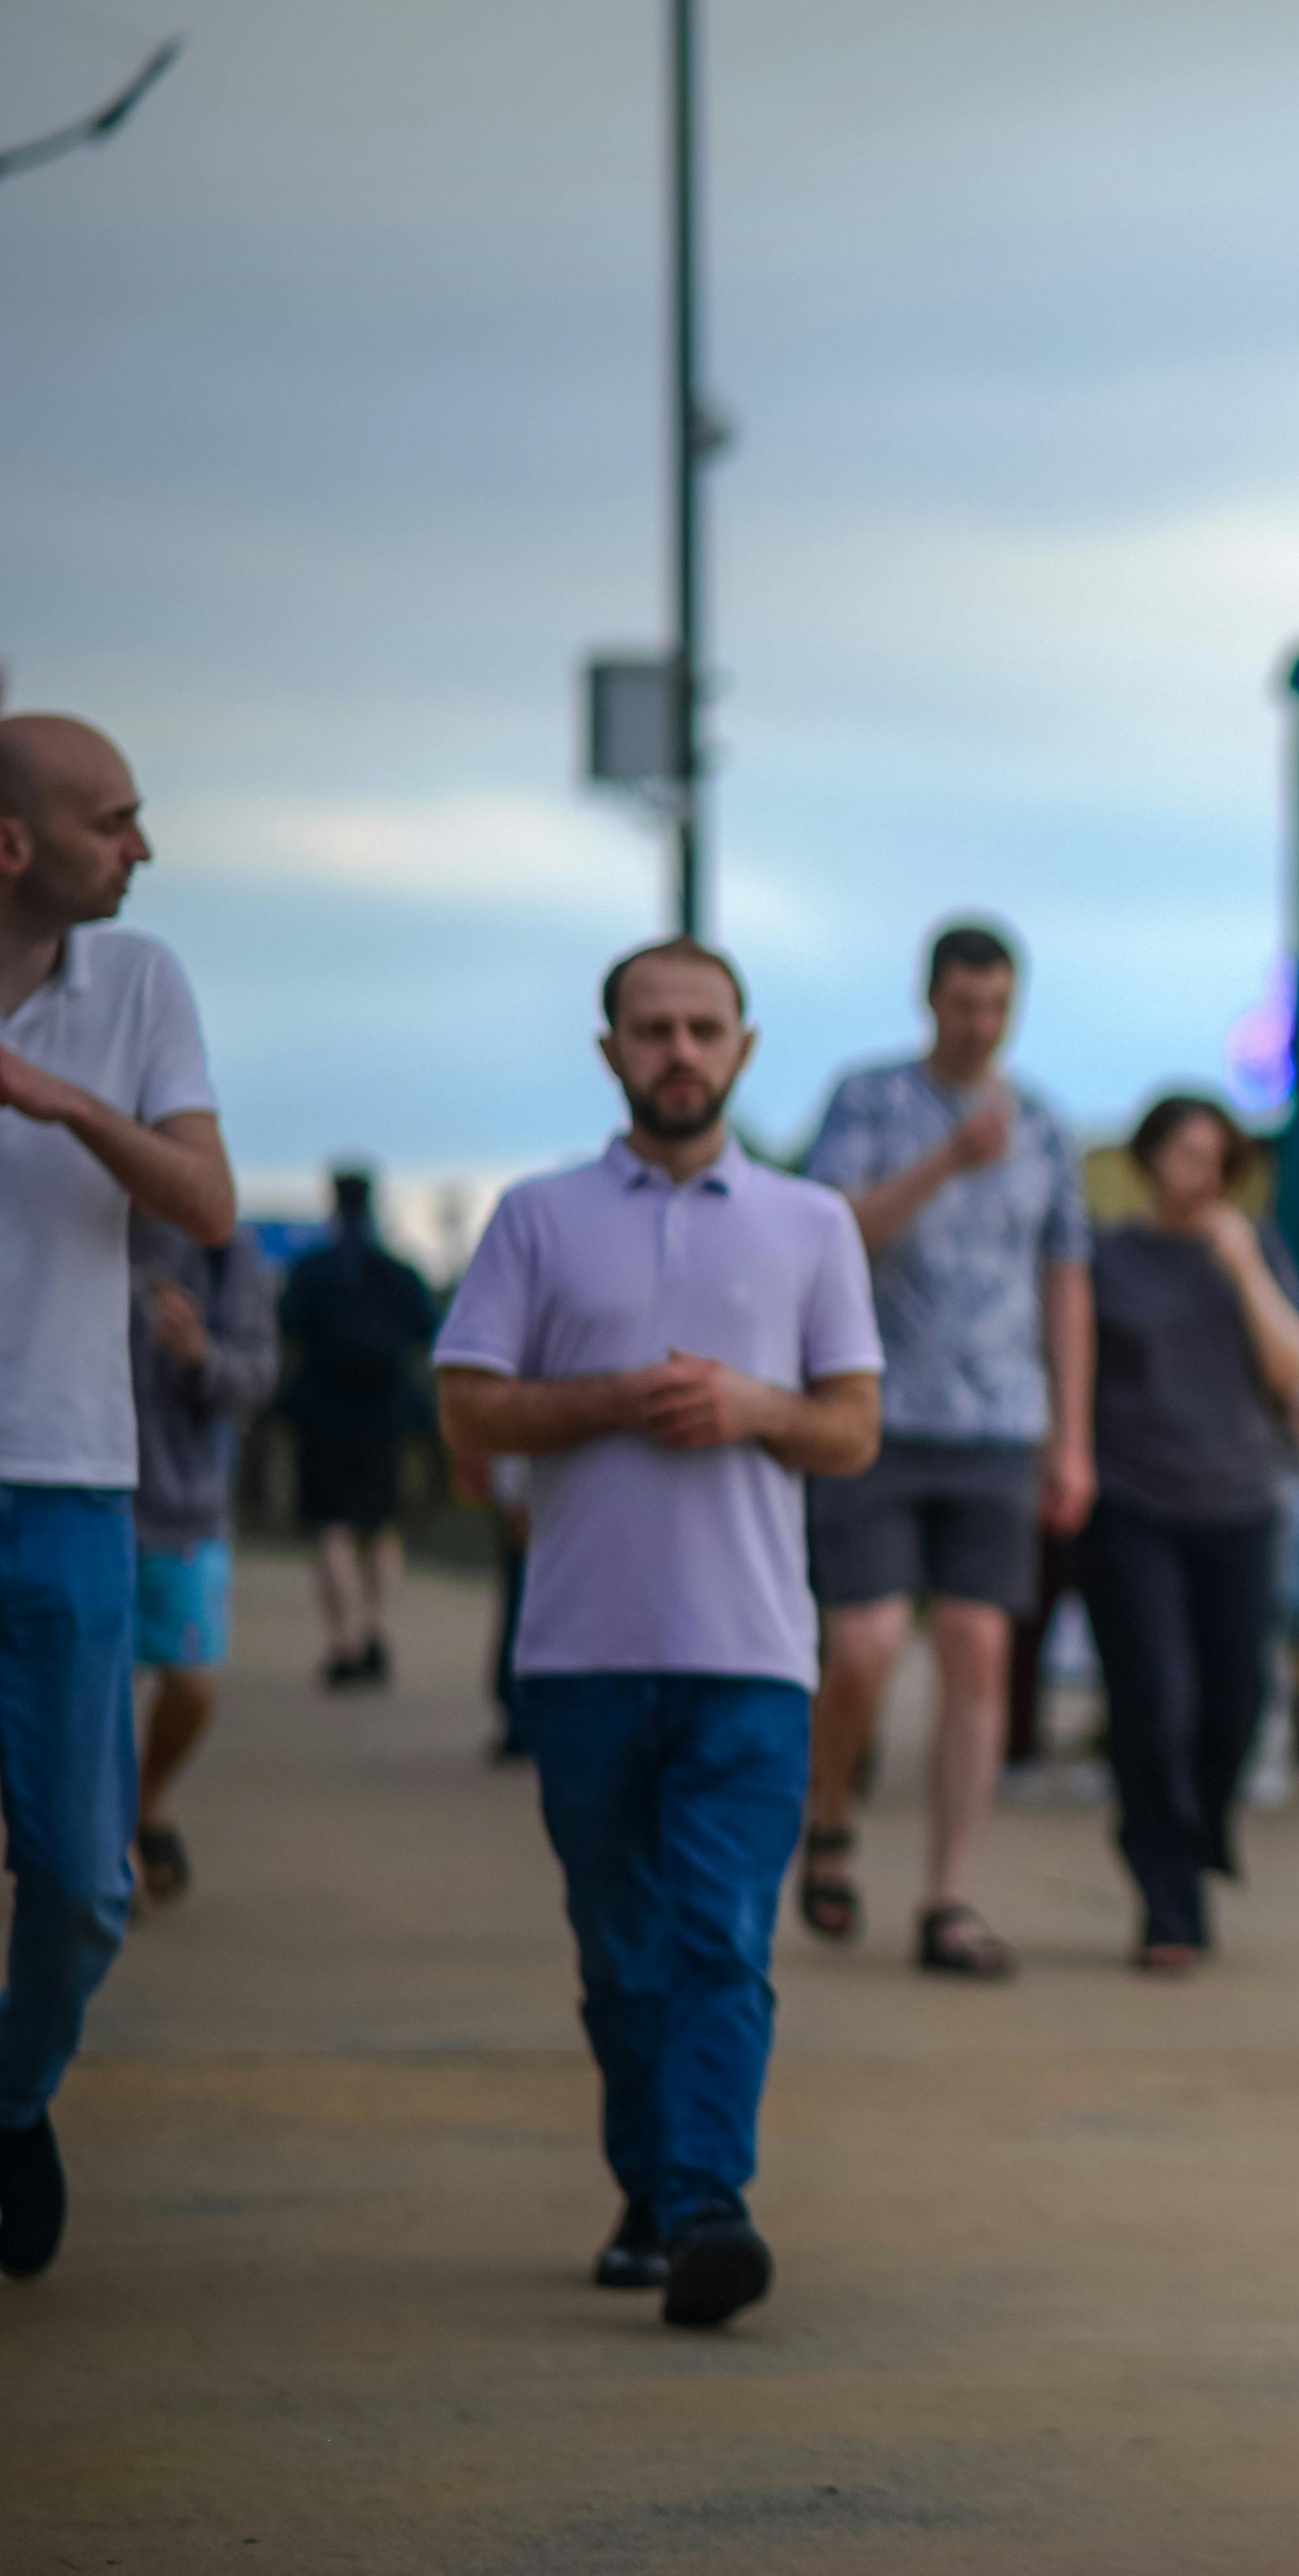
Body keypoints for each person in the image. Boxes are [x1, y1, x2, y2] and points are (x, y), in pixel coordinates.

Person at [432, 937, 882, 2328]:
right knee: (621, 1955)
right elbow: (468, 1410)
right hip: (579, 1654)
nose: (678, 1051)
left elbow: (853, 1430)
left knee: (720, 1942)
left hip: (752, 1656)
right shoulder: (537, 1217)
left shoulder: (813, 1222)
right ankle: (650, 2188)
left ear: (743, 1048)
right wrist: (613, 1398)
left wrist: (755, 1408)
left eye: (703, 1028)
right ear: (609, 1050)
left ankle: (703, 2209)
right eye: (652, 1029)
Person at [0, 711, 235, 2283]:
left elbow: (209, 1203)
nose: (140, 847)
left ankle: (11, 2098)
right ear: (12, 843)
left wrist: (64, 1103)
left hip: (70, 1481)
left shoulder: (139, 985)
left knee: (86, 1883)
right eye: (114, 821)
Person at [794, 922, 1094, 1980]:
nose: (980, 1026)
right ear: (930, 1002)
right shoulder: (867, 1100)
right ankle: (830, 1814)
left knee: (978, 1649)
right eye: (964, 1006)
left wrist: (1073, 1437)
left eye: (997, 1007)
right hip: (875, 1412)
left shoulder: (1044, 1123)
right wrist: (945, 1162)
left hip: (1000, 1422)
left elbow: (1066, 1279)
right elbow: (831, 1235)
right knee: (865, 1645)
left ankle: (949, 1895)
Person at [1074, 1095, 1299, 1968]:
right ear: (1149, 1158)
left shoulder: (1255, 1248)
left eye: (1218, 1157)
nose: (1203, 1172)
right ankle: (1168, 1896)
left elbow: (1295, 1369)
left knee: (1236, 1701)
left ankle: (1197, 1828)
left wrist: (1244, 1265)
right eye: (1186, 1153)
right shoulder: (1107, 1256)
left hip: (1239, 1502)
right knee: (1155, 1699)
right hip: (1131, 1501)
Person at [128, 1210, 280, 1902]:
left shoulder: (223, 1248)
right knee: (90, 1688)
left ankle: (145, 1800)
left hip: (184, 1508)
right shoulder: (61, 1217)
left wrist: (199, 1354)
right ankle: (107, 1839)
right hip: (73, 1505)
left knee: (190, 1683)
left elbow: (257, 1373)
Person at [277, 1164, 438, 1687]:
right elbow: (426, 1334)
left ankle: (342, 1642)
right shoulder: (398, 1271)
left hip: (324, 1413)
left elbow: (288, 1332)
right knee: (383, 1525)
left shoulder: (312, 1270)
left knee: (333, 1527)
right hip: (386, 1413)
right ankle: (375, 1628)